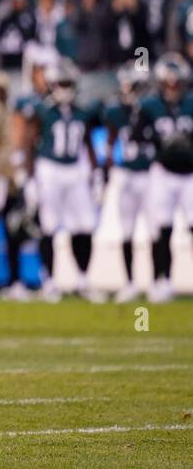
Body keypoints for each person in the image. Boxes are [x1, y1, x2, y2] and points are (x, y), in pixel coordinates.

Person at [21, 61, 99, 301]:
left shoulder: (82, 111)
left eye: (69, 83)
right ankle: (50, 281)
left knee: (85, 225)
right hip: (50, 168)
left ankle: (83, 279)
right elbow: (29, 144)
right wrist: (29, 178)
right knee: (49, 225)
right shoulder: (41, 110)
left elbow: (87, 143)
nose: (65, 88)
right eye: (62, 83)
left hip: (75, 168)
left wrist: (95, 173)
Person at [135, 53, 193, 304]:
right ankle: (162, 279)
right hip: (163, 171)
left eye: (176, 82)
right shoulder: (149, 105)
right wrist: (159, 143)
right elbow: (137, 135)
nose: (172, 87)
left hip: (190, 172)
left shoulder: (190, 103)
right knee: (162, 229)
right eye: (168, 83)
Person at [103, 66, 152, 303]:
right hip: (126, 174)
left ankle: (159, 280)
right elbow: (110, 142)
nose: (127, 91)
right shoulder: (115, 112)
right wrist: (107, 170)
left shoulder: (152, 108)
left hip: (151, 174)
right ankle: (131, 282)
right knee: (127, 230)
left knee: (156, 230)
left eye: (131, 86)